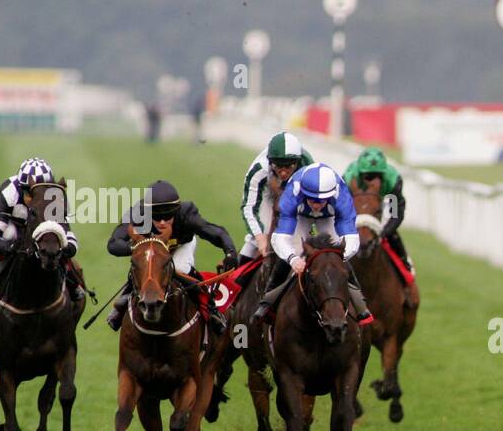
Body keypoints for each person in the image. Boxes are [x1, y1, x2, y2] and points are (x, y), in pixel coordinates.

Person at [104, 180, 238, 333]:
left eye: (168, 218)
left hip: (181, 245)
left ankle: (210, 307)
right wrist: (138, 247)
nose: (162, 223)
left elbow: (217, 232)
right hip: (152, 249)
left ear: (176, 211)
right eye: (157, 218)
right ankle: (123, 303)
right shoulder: (138, 214)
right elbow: (113, 243)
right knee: (144, 268)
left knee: (179, 268)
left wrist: (230, 252)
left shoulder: (186, 214)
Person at [252, 162, 372, 326]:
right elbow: (280, 237)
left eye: (321, 200)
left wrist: (340, 256)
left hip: (328, 219)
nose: (316, 204)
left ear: (331, 195)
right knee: (287, 258)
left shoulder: (341, 196)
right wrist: (293, 259)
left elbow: (351, 236)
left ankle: (360, 305)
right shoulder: (293, 192)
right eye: (312, 199)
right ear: (303, 192)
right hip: (300, 218)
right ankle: (267, 302)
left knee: (339, 262)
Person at [0, 157, 83, 303]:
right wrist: (7, 247)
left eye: (43, 190)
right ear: (21, 188)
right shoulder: (9, 192)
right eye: (28, 192)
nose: (34, 197)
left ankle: (72, 282)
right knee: (8, 234)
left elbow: (66, 232)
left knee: (55, 244)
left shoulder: (56, 195)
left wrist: (68, 247)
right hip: (16, 229)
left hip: (44, 233)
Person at [342, 146, 416, 293]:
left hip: (377, 212)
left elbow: (396, 213)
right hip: (355, 211)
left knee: (393, 237)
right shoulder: (349, 179)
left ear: (384, 174)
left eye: (378, 176)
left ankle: (406, 275)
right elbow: (341, 210)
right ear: (361, 175)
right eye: (369, 176)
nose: (374, 181)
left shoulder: (393, 180)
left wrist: (384, 232)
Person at [238, 132, 314, 261]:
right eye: (278, 165)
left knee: (301, 235)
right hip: (268, 187)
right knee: (263, 231)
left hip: (297, 188)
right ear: (270, 161)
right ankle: (237, 275)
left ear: (297, 162)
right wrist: (259, 236)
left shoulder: (308, 167)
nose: (283, 172)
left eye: (289, 166)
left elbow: (313, 202)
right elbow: (249, 207)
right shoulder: (259, 169)